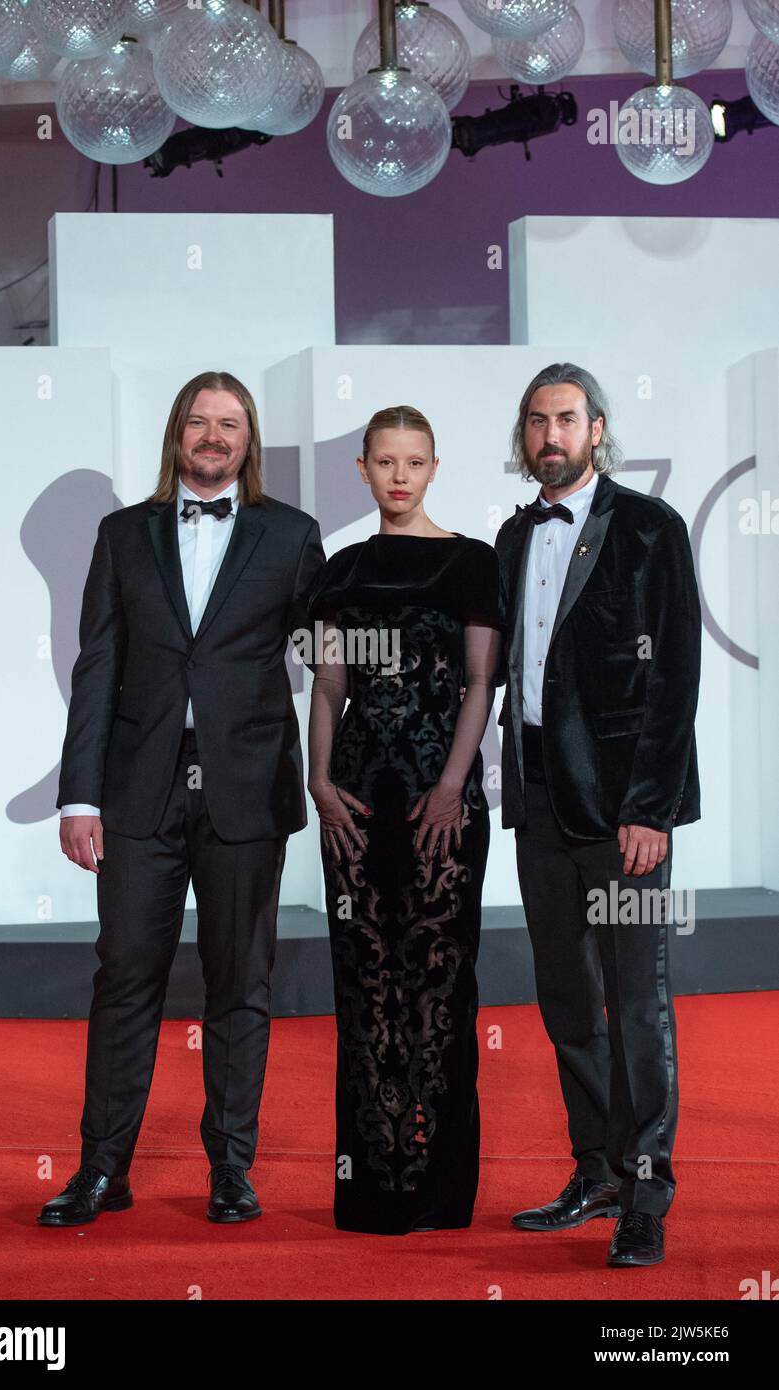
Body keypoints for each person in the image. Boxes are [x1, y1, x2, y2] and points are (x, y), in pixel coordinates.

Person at [39, 370, 325, 1228]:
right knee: (125, 976)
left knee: (241, 981)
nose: (212, 436)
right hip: (136, 788)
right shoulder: (122, 534)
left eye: (229, 423)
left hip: (245, 787)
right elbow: (97, 668)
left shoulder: (293, 534)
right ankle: (102, 1170)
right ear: (176, 435)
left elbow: (327, 659)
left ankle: (230, 1169)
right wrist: (77, 796)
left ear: (249, 440)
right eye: (198, 422)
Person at [495, 362, 701, 1268]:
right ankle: (596, 1170)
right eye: (537, 421)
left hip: (625, 816)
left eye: (566, 420)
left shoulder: (649, 529)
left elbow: (674, 679)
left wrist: (649, 809)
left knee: (640, 1004)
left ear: (597, 428)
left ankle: (645, 1189)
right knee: (568, 1001)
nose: (550, 435)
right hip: (538, 805)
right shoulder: (510, 536)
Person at [306, 405, 501, 1235]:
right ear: (361, 468)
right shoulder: (339, 570)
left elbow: (479, 686)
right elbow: (326, 687)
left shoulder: (471, 563)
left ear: (432, 467)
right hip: (354, 803)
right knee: (366, 989)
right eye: (383, 461)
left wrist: (455, 782)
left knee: (439, 988)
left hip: (439, 803)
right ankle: (374, 1188)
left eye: (413, 462)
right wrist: (316, 780)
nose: (397, 476)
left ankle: (438, 1191)